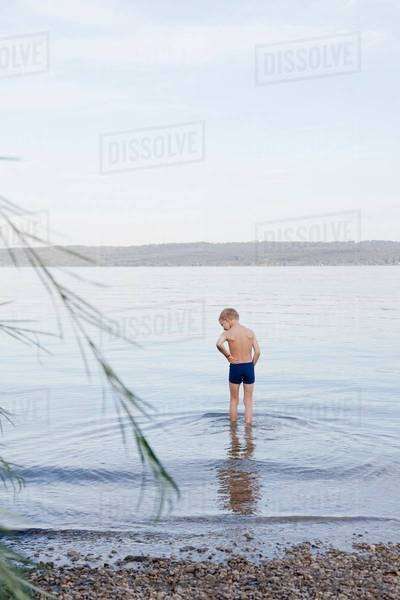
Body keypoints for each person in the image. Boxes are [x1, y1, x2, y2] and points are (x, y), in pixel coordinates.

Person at [216, 308, 260, 425]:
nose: (223, 327)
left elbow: (218, 344)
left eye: (222, 324)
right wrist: (251, 366)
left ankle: (233, 427)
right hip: (248, 367)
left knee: (234, 400)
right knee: (248, 401)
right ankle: (248, 426)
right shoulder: (250, 332)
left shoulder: (227, 333)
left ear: (228, 319)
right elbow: (257, 352)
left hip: (235, 367)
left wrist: (228, 356)